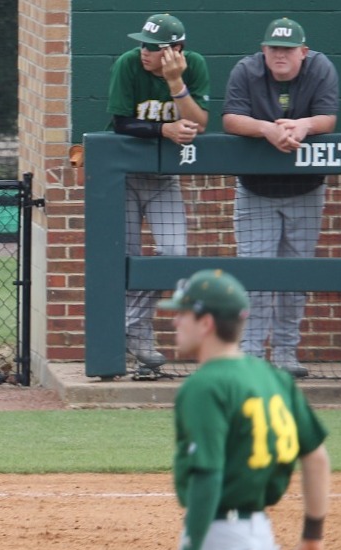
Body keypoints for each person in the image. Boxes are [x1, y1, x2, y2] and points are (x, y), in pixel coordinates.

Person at [157, 269, 330, 550]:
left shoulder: (205, 386)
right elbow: (316, 456)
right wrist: (312, 536)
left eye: (181, 314)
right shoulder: (273, 378)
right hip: (259, 544)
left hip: (217, 541)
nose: (173, 321)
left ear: (207, 322)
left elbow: (207, 473)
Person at [222, 17, 339, 378]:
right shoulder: (246, 70)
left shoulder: (320, 68)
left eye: (288, 49)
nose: (280, 55)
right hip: (256, 188)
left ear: (303, 51)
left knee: (294, 277)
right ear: (264, 50)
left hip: (305, 190)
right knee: (255, 276)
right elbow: (230, 119)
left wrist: (303, 125)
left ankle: (286, 353)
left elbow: (329, 118)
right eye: (274, 48)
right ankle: (252, 354)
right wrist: (266, 129)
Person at [107, 12, 210, 370]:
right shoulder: (127, 64)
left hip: (164, 179)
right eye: (142, 45)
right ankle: (138, 338)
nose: (143, 53)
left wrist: (175, 83)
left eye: (152, 48)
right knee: (128, 258)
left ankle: (128, 332)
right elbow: (121, 122)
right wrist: (163, 131)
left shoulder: (193, 65)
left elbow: (199, 122)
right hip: (124, 175)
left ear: (175, 50)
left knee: (172, 254)